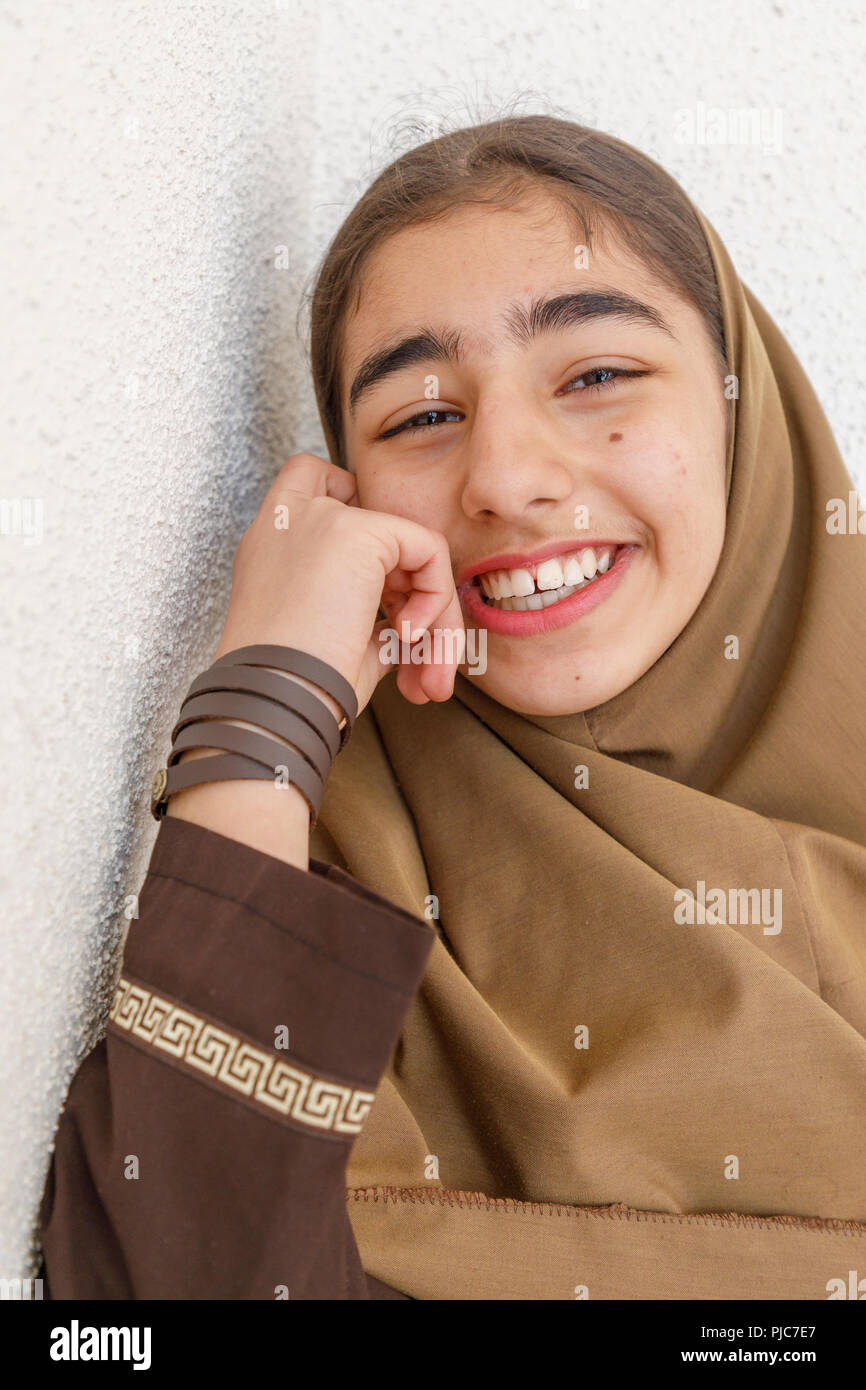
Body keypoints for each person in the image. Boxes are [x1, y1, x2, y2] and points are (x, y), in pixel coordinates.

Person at [38, 114, 866, 1300]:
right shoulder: (310, 895)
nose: (503, 479)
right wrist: (262, 699)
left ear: (744, 415)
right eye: (421, 416)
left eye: (595, 375)